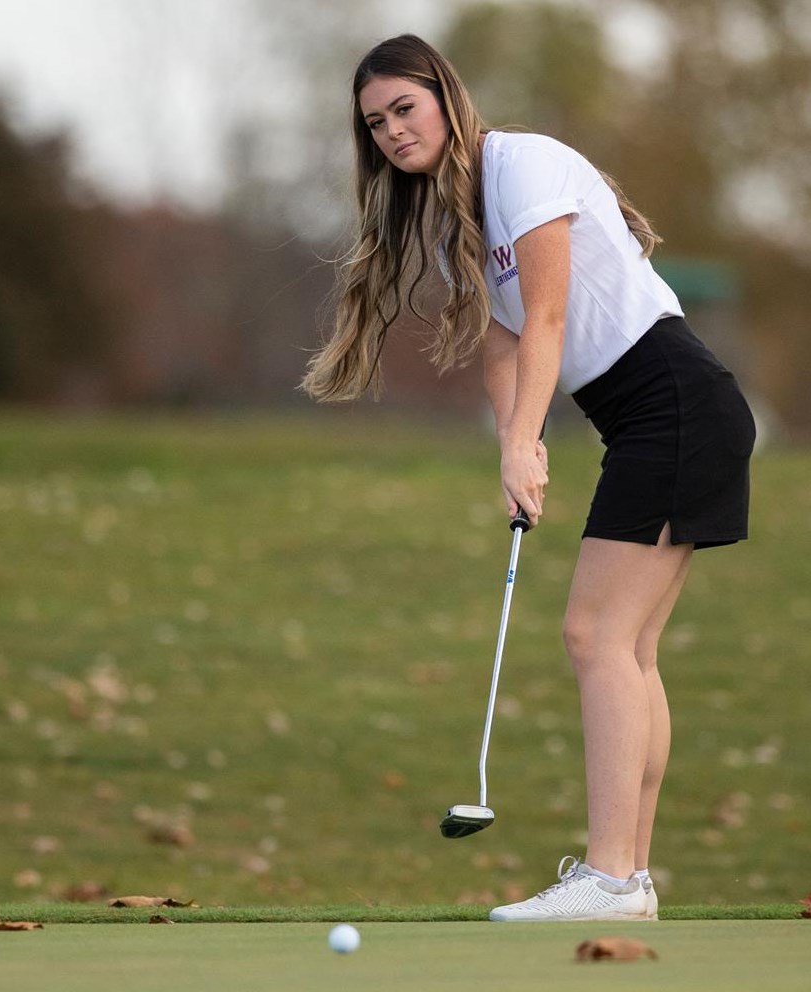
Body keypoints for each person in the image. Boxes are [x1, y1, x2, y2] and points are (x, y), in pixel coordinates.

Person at [302, 34, 755, 922]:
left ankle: (612, 876)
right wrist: (519, 444)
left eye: (406, 108)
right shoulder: (454, 226)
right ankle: (631, 879)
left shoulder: (523, 166)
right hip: (643, 416)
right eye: (376, 123)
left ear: (446, 96)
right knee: (628, 650)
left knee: (594, 636)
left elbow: (546, 313)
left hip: (674, 397)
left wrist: (524, 444)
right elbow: (504, 344)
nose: (394, 132)